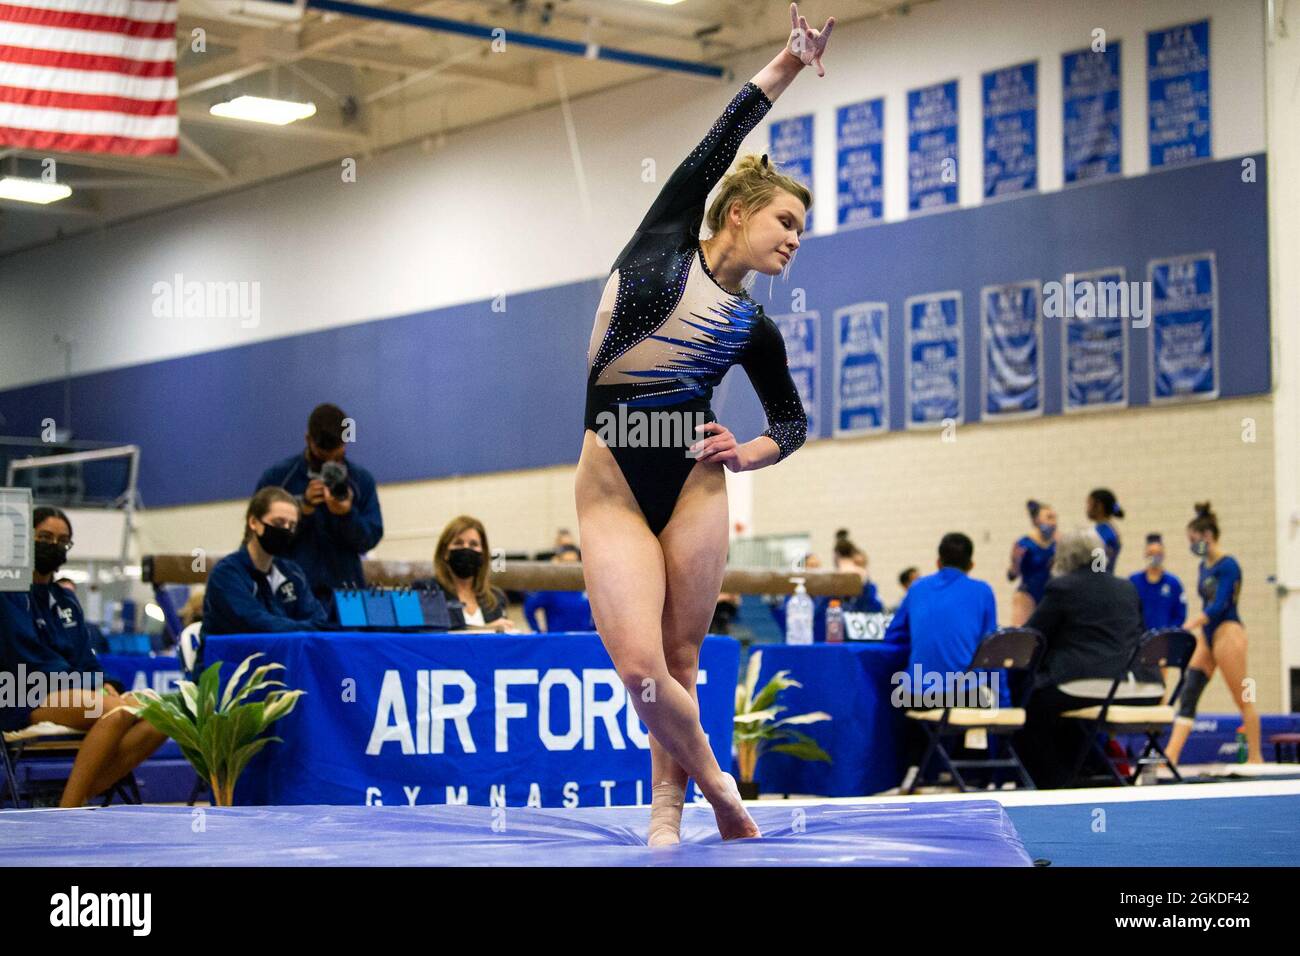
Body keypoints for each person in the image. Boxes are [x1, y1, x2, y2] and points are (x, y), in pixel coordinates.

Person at [574, 3, 831, 845]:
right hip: (612, 481)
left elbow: (791, 423)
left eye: (802, 229)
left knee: (681, 663)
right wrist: (790, 62)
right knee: (641, 670)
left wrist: (745, 451)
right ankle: (720, 781)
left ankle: (669, 811)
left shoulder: (755, 328)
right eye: (786, 221)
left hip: (691, 482)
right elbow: (727, 128)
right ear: (736, 214)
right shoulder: (667, 236)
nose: (795, 239)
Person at [0, 506, 168, 808]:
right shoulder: (7, 592)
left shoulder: (65, 599)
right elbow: (27, 656)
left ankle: (76, 797)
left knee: (159, 719)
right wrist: (90, 686)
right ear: (26, 540)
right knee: (116, 712)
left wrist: (102, 683)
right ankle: (68, 810)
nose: (54, 545)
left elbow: (85, 656)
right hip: (22, 690)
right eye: (45, 537)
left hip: (70, 690)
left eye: (62, 540)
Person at [1015, 527, 1164, 788]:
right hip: (1142, 687)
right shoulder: (1126, 588)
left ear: (1065, 557)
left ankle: (1053, 783)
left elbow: (1031, 638)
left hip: (1089, 686)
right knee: (1061, 709)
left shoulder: (1063, 587)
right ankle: (1092, 772)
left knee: (1031, 703)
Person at [255, 403, 384, 607]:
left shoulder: (360, 481)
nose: (329, 465)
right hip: (292, 593)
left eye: (337, 457)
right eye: (322, 457)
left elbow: (371, 537)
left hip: (347, 595)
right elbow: (257, 538)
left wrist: (346, 515)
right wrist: (301, 509)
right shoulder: (280, 479)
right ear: (308, 440)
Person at [1165, 503, 1261, 765]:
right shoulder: (1203, 567)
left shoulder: (1228, 565)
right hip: (1208, 637)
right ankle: (1171, 756)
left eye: (1193, 540)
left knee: (1243, 695)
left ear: (1207, 536)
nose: (1191, 545)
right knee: (1189, 691)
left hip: (1228, 632)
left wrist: (1191, 623)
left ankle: (1255, 756)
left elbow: (1220, 604)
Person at [202, 487, 329, 637]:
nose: (286, 530)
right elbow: (257, 624)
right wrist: (306, 628)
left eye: (292, 525)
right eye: (279, 522)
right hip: (231, 658)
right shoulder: (226, 574)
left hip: (278, 656)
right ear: (254, 522)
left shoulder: (292, 572)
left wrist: (308, 628)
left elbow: (319, 621)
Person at [417, 516, 517, 632]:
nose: (466, 549)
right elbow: (431, 636)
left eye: (473, 544)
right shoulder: (427, 591)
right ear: (445, 552)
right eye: (458, 543)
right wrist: (487, 629)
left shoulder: (495, 598)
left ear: (482, 553)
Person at [1008, 499, 1057, 626]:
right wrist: (1015, 562)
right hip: (1028, 594)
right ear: (1036, 521)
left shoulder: (1059, 543)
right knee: (1023, 636)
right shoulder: (1024, 543)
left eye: (1055, 518)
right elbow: (1012, 576)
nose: (1054, 522)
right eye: (1049, 518)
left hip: (1050, 595)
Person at [524, 545, 593, 632]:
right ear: (559, 563)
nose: (570, 566)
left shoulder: (587, 586)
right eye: (566, 562)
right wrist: (538, 632)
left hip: (584, 639)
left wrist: (594, 630)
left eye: (574, 562)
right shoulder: (551, 588)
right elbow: (529, 608)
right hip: (559, 640)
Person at [1128, 534, 1186, 630]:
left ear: (1163, 555)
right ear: (1145, 554)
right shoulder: (1134, 581)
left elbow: (1180, 614)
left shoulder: (1173, 583)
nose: (1154, 557)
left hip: (1165, 638)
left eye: (1158, 554)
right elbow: (1128, 611)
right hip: (1140, 638)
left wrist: (1168, 631)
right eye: (1151, 553)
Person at [1086, 487, 1124, 573]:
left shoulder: (1104, 533)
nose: (1087, 508)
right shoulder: (1104, 529)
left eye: (1089, 504)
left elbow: (1097, 567)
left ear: (1099, 506)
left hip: (1099, 581)